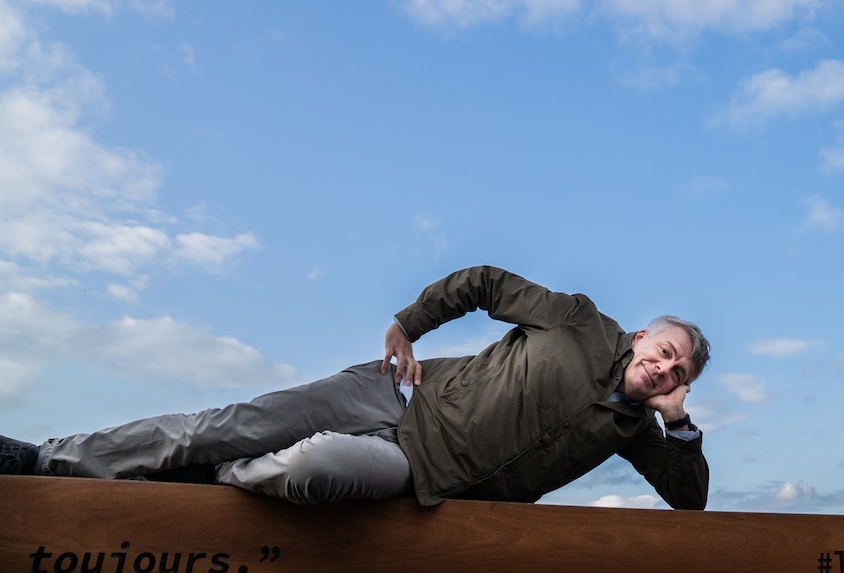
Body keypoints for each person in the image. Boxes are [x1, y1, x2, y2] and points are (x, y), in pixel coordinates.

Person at [0, 265, 712, 509]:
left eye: (680, 373)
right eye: (667, 352)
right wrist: (410, 323)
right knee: (223, 421)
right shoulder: (579, 320)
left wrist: (678, 426)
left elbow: (688, 500)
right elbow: (486, 283)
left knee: (314, 467)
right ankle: (42, 461)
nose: (667, 369)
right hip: (401, 393)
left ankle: (211, 480)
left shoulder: (637, 432)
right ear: (646, 337)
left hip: (418, 470)